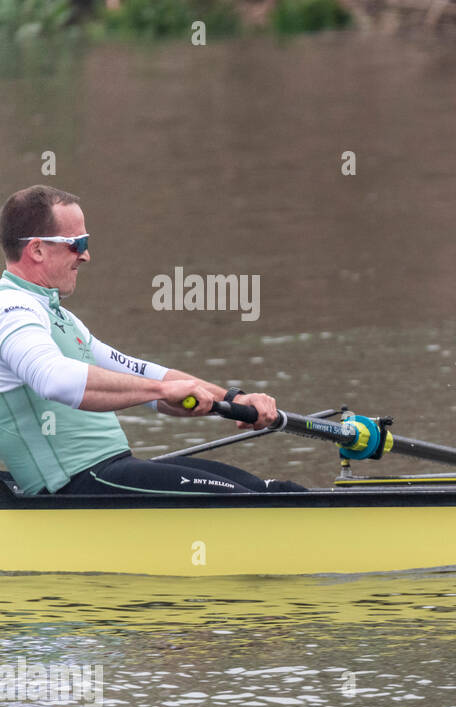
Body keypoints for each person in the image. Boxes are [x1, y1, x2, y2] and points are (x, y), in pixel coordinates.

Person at [0, 185, 304, 495]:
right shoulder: (11, 311)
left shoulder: (58, 316)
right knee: (244, 499)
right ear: (37, 249)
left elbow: (139, 372)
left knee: (275, 490)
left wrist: (233, 398)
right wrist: (162, 390)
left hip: (109, 473)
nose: (86, 255)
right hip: (76, 487)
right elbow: (54, 380)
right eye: (77, 243)